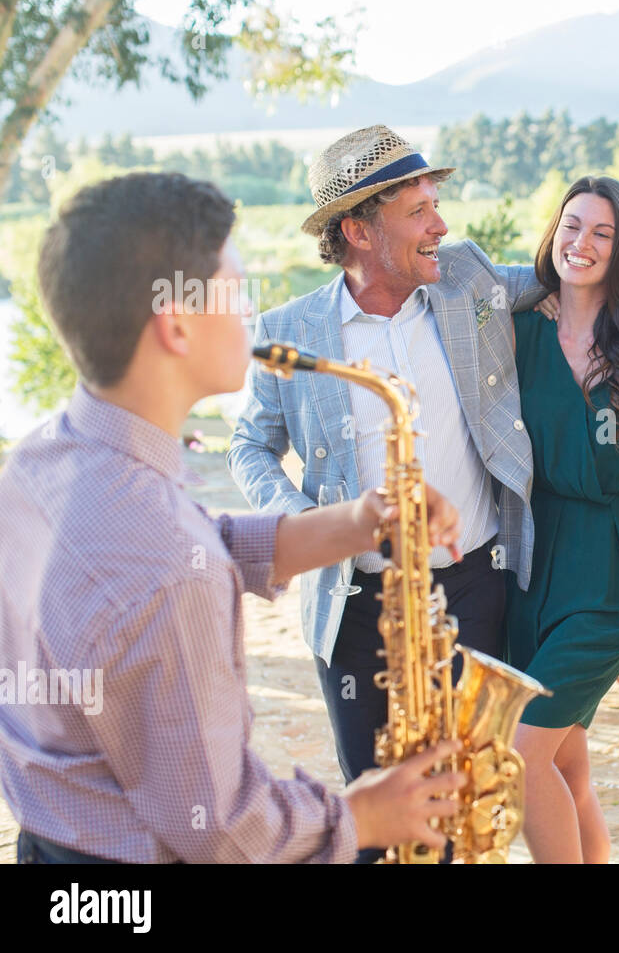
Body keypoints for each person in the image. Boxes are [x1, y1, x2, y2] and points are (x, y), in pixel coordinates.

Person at [0, 172, 466, 864]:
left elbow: (197, 542)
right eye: (235, 291)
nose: (253, 313)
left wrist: (359, 520)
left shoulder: (41, 460)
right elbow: (225, 828)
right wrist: (361, 815)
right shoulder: (163, 563)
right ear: (176, 324)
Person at [228, 126, 547, 816]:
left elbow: (572, 273)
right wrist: (312, 526)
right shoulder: (292, 333)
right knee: (377, 810)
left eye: (436, 203)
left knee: (468, 803)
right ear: (360, 231)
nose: (441, 224)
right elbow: (249, 446)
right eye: (418, 211)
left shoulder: (467, 279)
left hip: (473, 585)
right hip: (356, 602)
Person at [505, 177, 619, 863]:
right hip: (530, 561)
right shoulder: (519, 328)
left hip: (613, 569)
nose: (580, 244)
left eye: (603, 234)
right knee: (566, 765)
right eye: (571, 226)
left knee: (524, 753)